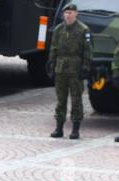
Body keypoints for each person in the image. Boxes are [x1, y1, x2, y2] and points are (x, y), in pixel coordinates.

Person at [49, 2, 93, 139]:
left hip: (75, 68)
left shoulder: (83, 30)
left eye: (70, 13)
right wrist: (51, 64)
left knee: (76, 99)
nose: (67, 15)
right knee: (60, 99)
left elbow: (88, 51)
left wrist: (85, 68)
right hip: (61, 68)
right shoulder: (58, 29)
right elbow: (54, 48)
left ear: (76, 14)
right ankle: (59, 128)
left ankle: (75, 129)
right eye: (66, 13)